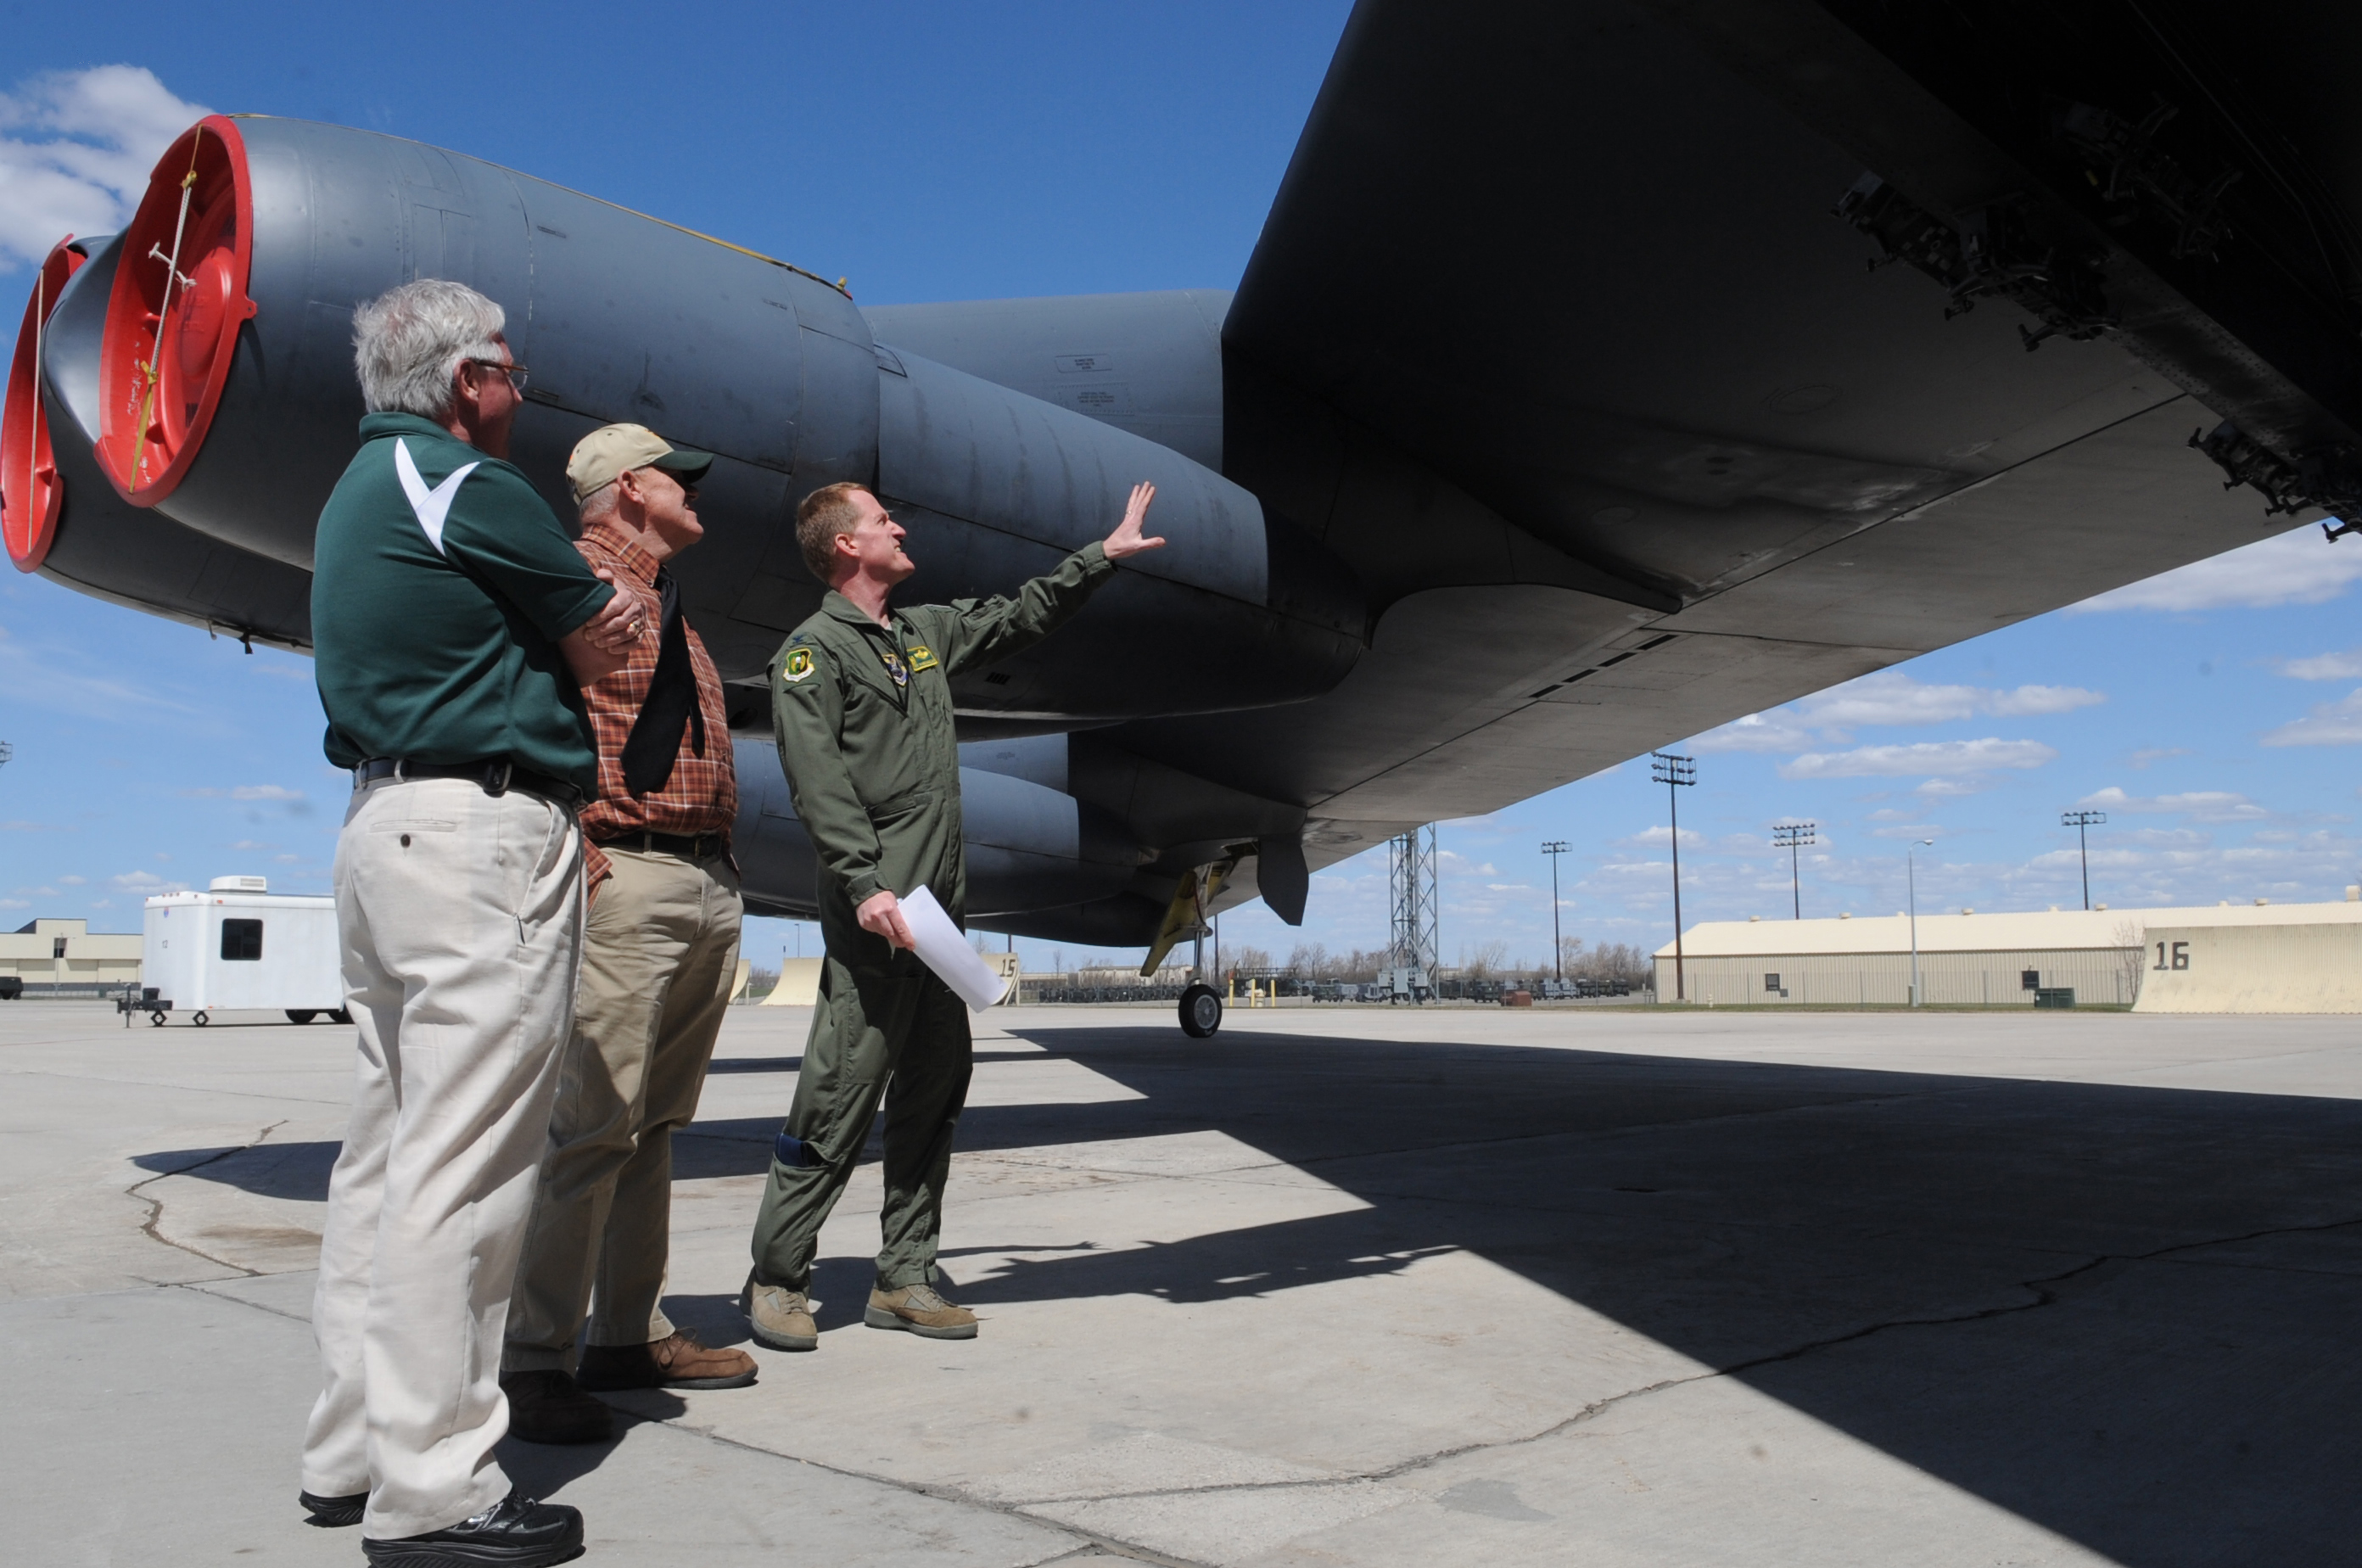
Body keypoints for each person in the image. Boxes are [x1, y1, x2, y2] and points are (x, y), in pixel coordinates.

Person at [299, 279, 649, 1567]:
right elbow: (611, 641)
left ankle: (351, 1454)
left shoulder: (356, 492)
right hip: (478, 835)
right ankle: (437, 1489)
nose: (520, 391)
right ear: (466, 382)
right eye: (511, 370)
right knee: (468, 1169)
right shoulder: (467, 482)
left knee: (386, 1159)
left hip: (382, 828)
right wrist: (585, 625)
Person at [743, 479, 1163, 1350]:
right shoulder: (813, 654)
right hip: (878, 917)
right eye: (881, 520)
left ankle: (904, 1276)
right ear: (846, 545)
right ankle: (779, 1276)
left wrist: (1100, 558)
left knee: (935, 1091)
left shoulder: (921, 634)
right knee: (838, 1095)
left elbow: (1018, 616)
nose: (899, 528)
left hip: (937, 922)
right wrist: (864, 885)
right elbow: (818, 782)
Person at [499, 423, 755, 1444]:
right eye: (677, 477)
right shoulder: (569, 581)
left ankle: (627, 1335)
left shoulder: (666, 602)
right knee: (595, 1125)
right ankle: (534, 1359)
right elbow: (523, 715)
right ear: (632, 487)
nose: (695, 490)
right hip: (628, 873)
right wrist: (581, 853)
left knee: (653, 1128)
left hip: (701, 879)